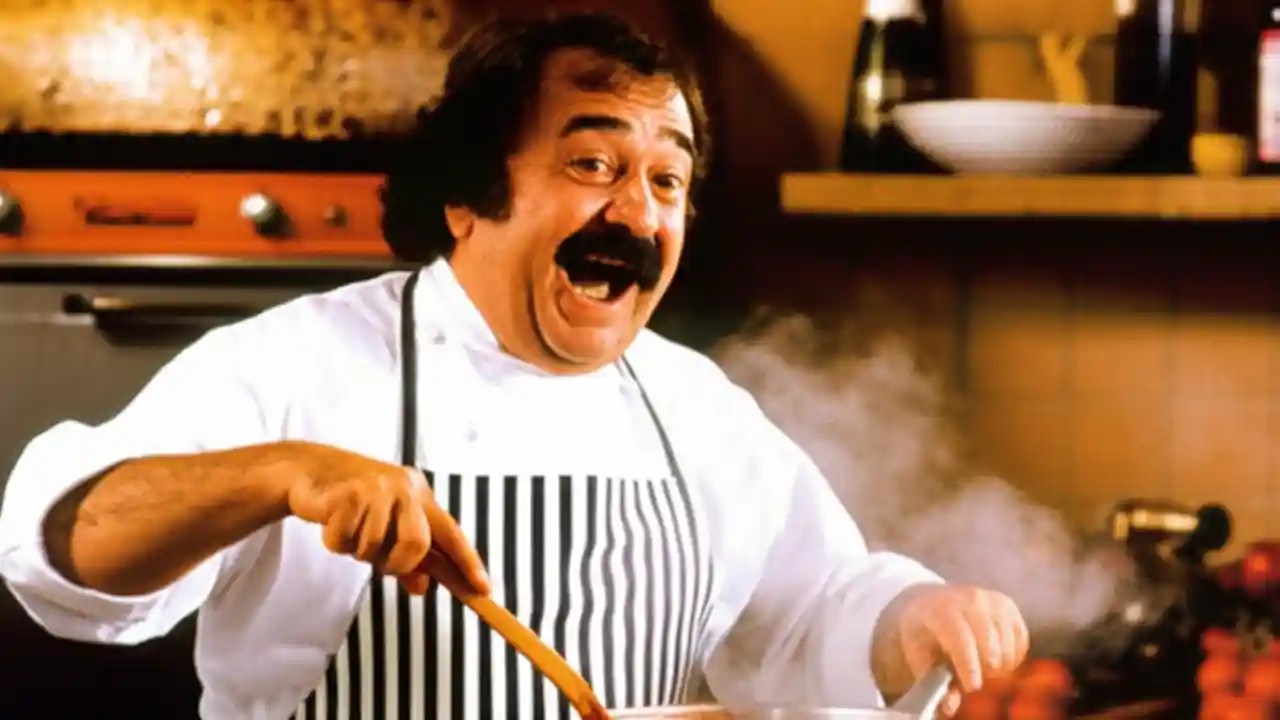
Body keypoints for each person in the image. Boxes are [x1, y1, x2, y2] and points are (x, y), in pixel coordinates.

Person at [0, 11, 1028, 720]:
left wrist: (915, 621)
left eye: (666, 178)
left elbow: (809, 615)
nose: (635, 212)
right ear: (467, 196)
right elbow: (64, 553)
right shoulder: (298, 362)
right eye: (592, 164)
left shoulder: (691, 407)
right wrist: (280, 474)